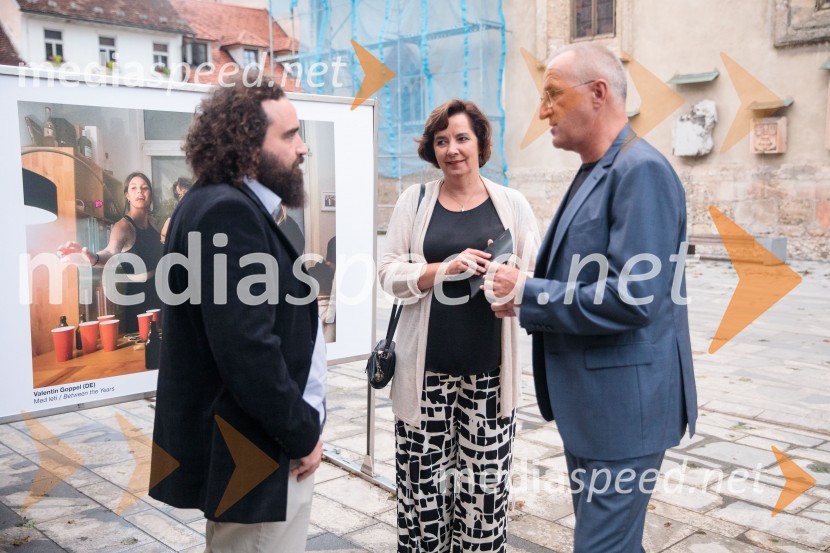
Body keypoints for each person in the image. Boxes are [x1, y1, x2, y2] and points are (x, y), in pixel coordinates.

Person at [484, 43, 697, 552]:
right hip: (597, 413)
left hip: (625, 415)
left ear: (597, 93)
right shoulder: (597, 169)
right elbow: (592, 273)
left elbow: (635, 296)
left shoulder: (639, 170)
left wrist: (529, 293)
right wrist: (524, 291)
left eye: (553, 95)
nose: (543, 111)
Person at [148, 74, 325, 553]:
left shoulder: (215, 202)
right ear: (248, 148)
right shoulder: (227, 212)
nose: (303, 148)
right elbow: (247, 350)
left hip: (250, 448)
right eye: (289, 135)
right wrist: (302, 432)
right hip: (257, 452)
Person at [378, 99, 540, 552]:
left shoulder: (512, 204)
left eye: (462, 138)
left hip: (490, 377)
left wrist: (510, 285)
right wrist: (442, 269)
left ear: (481, 143)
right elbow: (388, 273)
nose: (453, 149)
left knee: (483, 497)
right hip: (423, 376)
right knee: (422, 494)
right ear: (432, 149)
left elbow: (537, 277)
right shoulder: (415, 201)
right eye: (442, 140)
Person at [58, 171, 163, 333]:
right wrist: (92, 258)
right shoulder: (123, 226)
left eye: (144, 188)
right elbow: (110, 252)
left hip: (160, 292)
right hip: (137, 296)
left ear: (150, 195)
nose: (140, 192)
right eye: (134, 188)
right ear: (127, 195)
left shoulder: (155, 224)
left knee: (161, 342)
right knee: (140, 346)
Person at [160, 176, 192, 243]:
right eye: (179, 195)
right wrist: (164, 238)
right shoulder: (173, 220)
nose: (183, 198)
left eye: (185, 193)